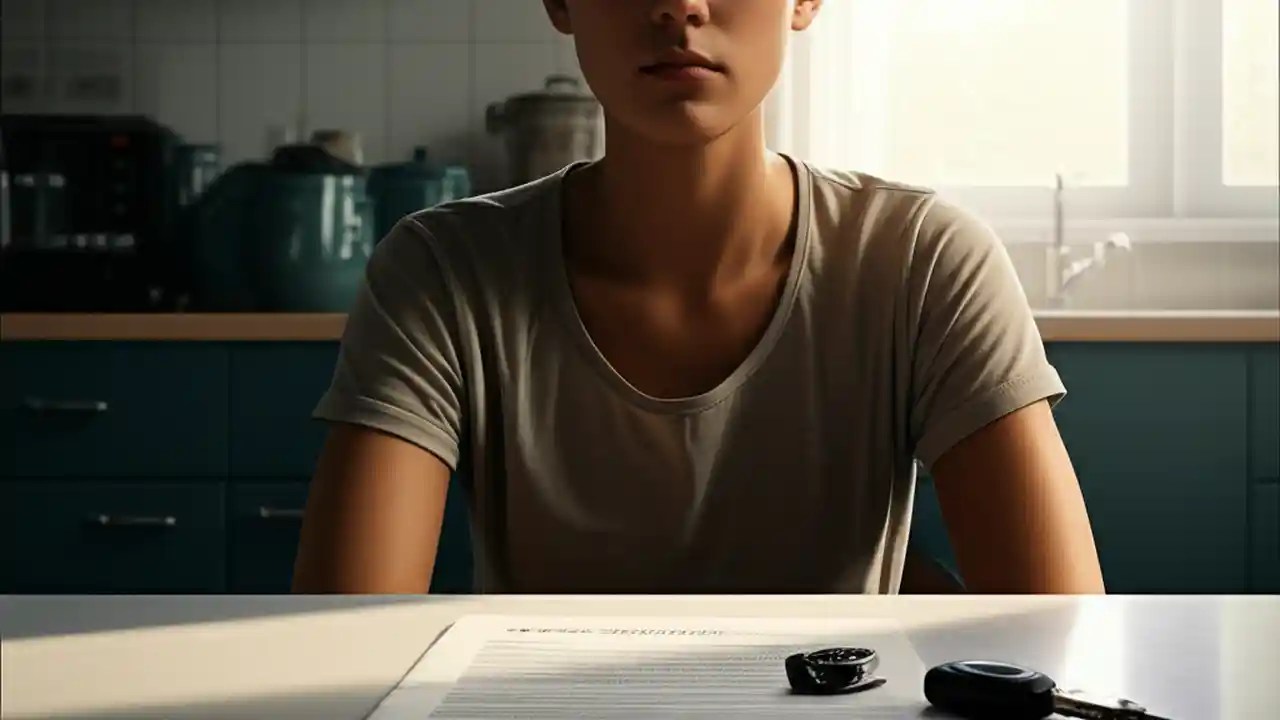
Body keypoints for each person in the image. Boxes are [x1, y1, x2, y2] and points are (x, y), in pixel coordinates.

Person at [292, 0, 1106, 595]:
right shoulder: (443, 272)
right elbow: (342, 641)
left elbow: (1056, 629)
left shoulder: (923, 259)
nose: (679, 7)